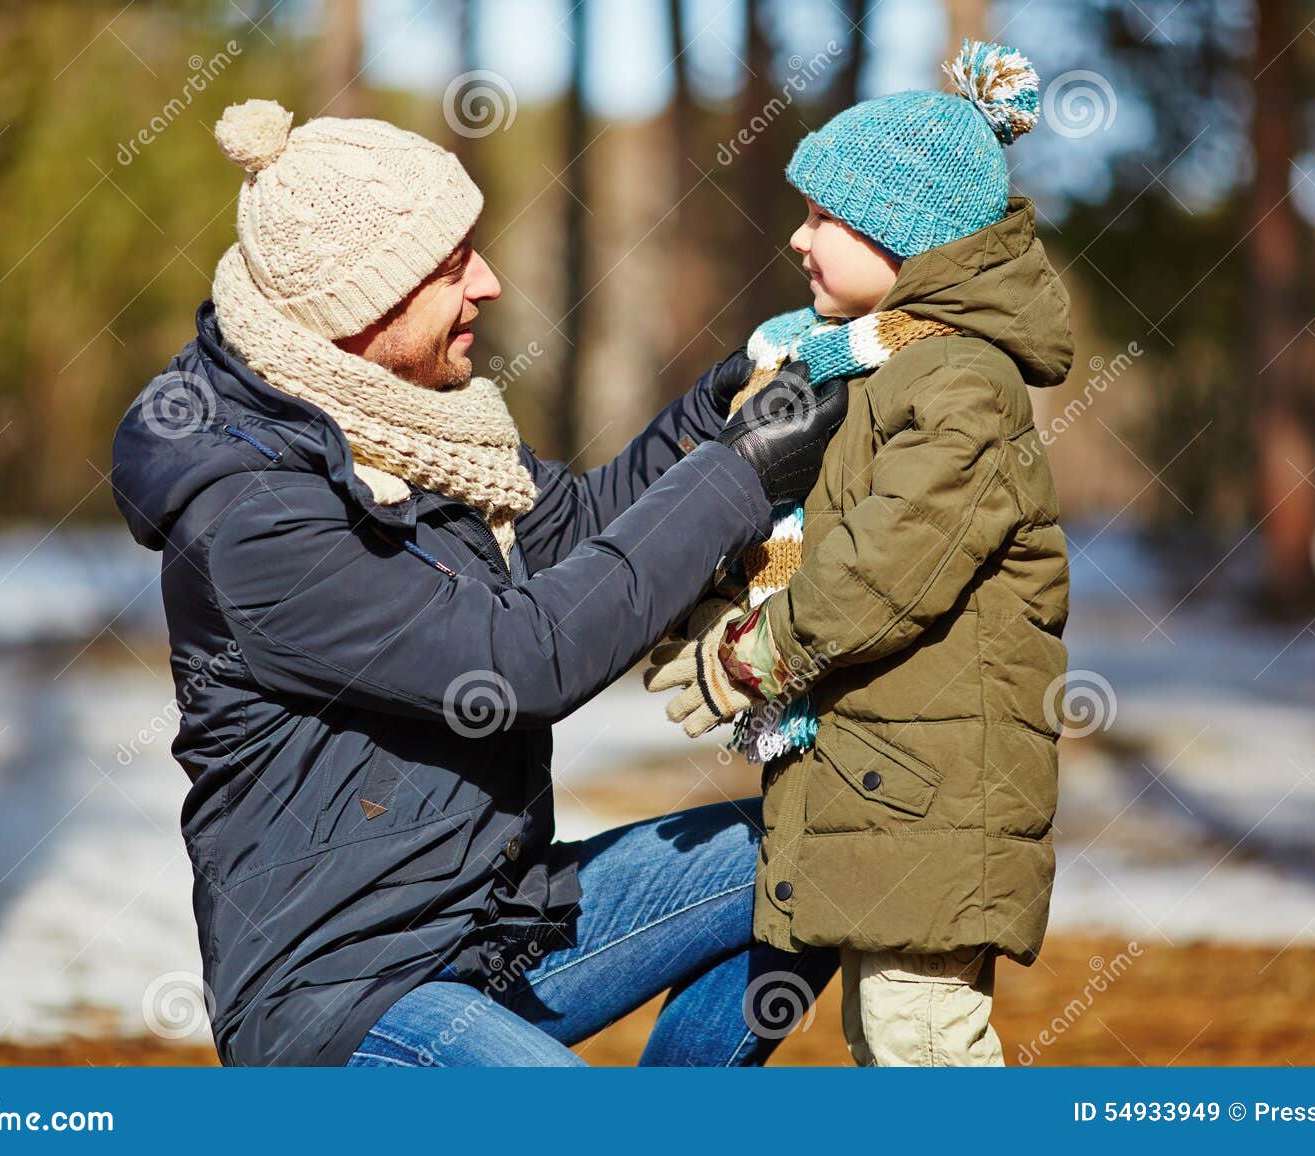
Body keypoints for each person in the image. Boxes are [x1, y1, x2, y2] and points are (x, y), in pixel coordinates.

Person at [111, 99, 845, 1066]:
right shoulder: (255, 516)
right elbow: (521, 658)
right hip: (344, 997)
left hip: (495, 922)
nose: (490, 285)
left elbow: (576, 531)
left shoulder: (411, 424)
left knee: (826, 854)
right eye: (454, 266)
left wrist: (720, 411)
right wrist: (741, 476)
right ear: (359, 304)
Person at [643, 40, 1074, 1066]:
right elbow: (816, 524)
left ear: (908, 236)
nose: (798, 239)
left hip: (933, 798)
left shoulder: (961, 383)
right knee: (883, 1043)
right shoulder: (864, 367)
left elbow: (888, 566)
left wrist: (754, 656)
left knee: (920, 1040)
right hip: (884, 789)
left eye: (824, 218)